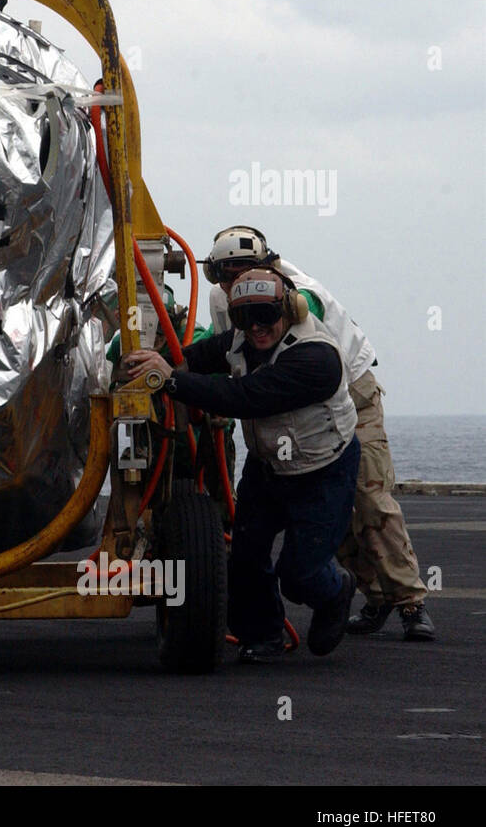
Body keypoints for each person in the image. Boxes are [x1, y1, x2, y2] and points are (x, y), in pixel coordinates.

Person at [204, 226, 434, 640]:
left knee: (369, 497)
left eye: (239, 271)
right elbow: (227, 346)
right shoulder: (224, 299)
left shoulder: (295, 291)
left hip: (349, 396)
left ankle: (410, 601)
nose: (231, 282)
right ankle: (374, 596)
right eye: (222, 274)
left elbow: (300, 312)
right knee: (332, 518)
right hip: (300, 412)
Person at [125, 268, 361, 662]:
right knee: (246, 557)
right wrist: (156, 363)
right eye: (243, 318)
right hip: (268, 466)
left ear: (288, 308)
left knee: (300, 573)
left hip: (323, 471)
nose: (255, 328)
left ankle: (337, 590)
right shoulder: (240, 339)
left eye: (264, 316)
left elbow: (246, 396)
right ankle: (263, 635)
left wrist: (171, 381)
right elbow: (198, 357)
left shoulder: (316, 357)